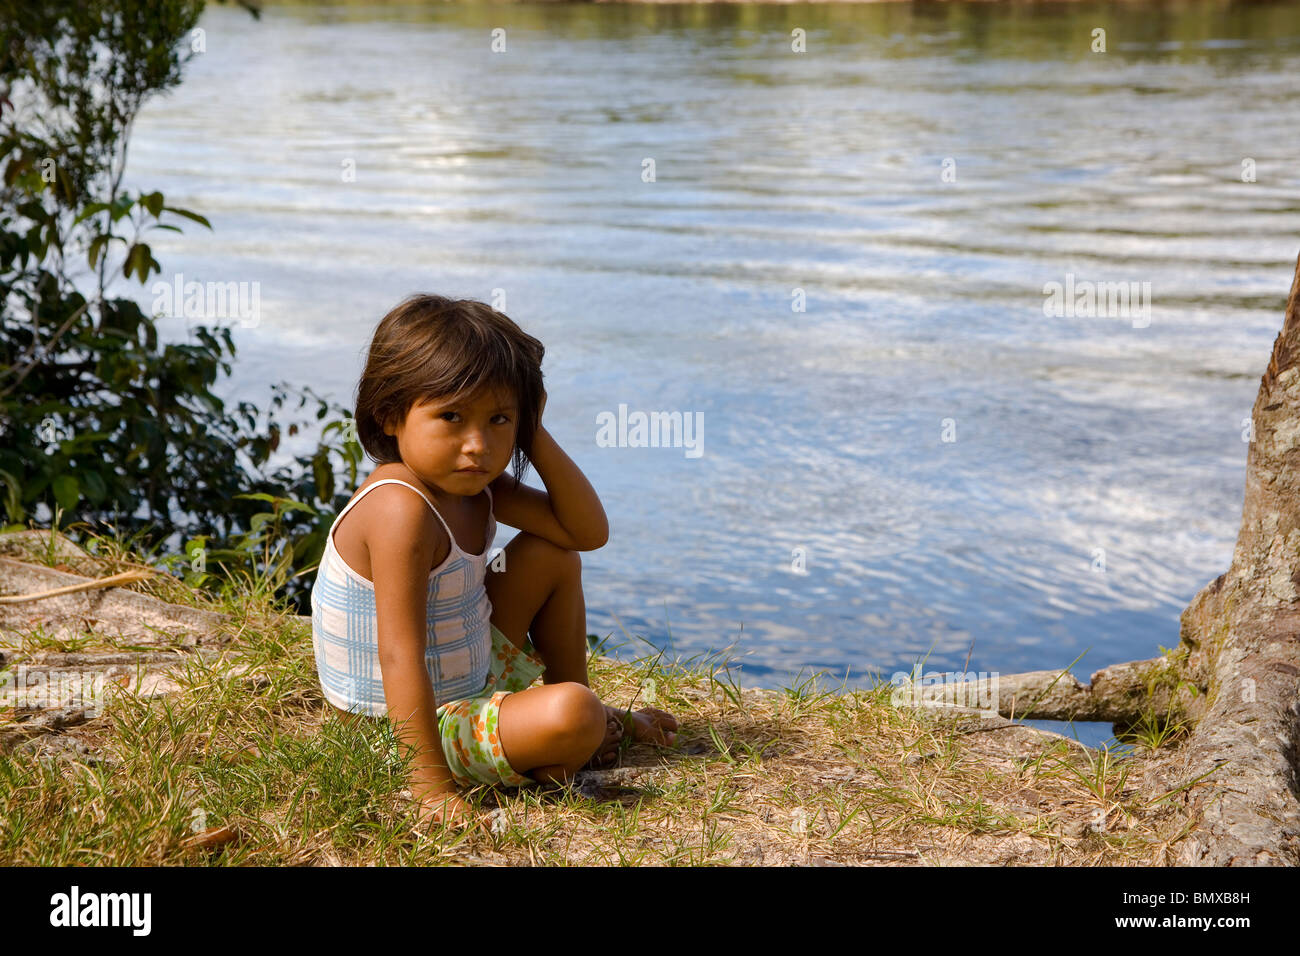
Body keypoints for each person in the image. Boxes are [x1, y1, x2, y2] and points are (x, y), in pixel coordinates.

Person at [310, 294, 678, 832]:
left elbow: (586, 533)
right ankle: (581, 724)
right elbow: (398, 654)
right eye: (451, 417)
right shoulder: (399, 510)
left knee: (553, 554)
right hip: (395, 727)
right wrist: (430, 791)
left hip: (465, 678)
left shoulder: (473, 486)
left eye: (499, 418)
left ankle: (586, 721)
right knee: (571, 713)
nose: (477, 445)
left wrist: (533, 431)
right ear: (390, 415)